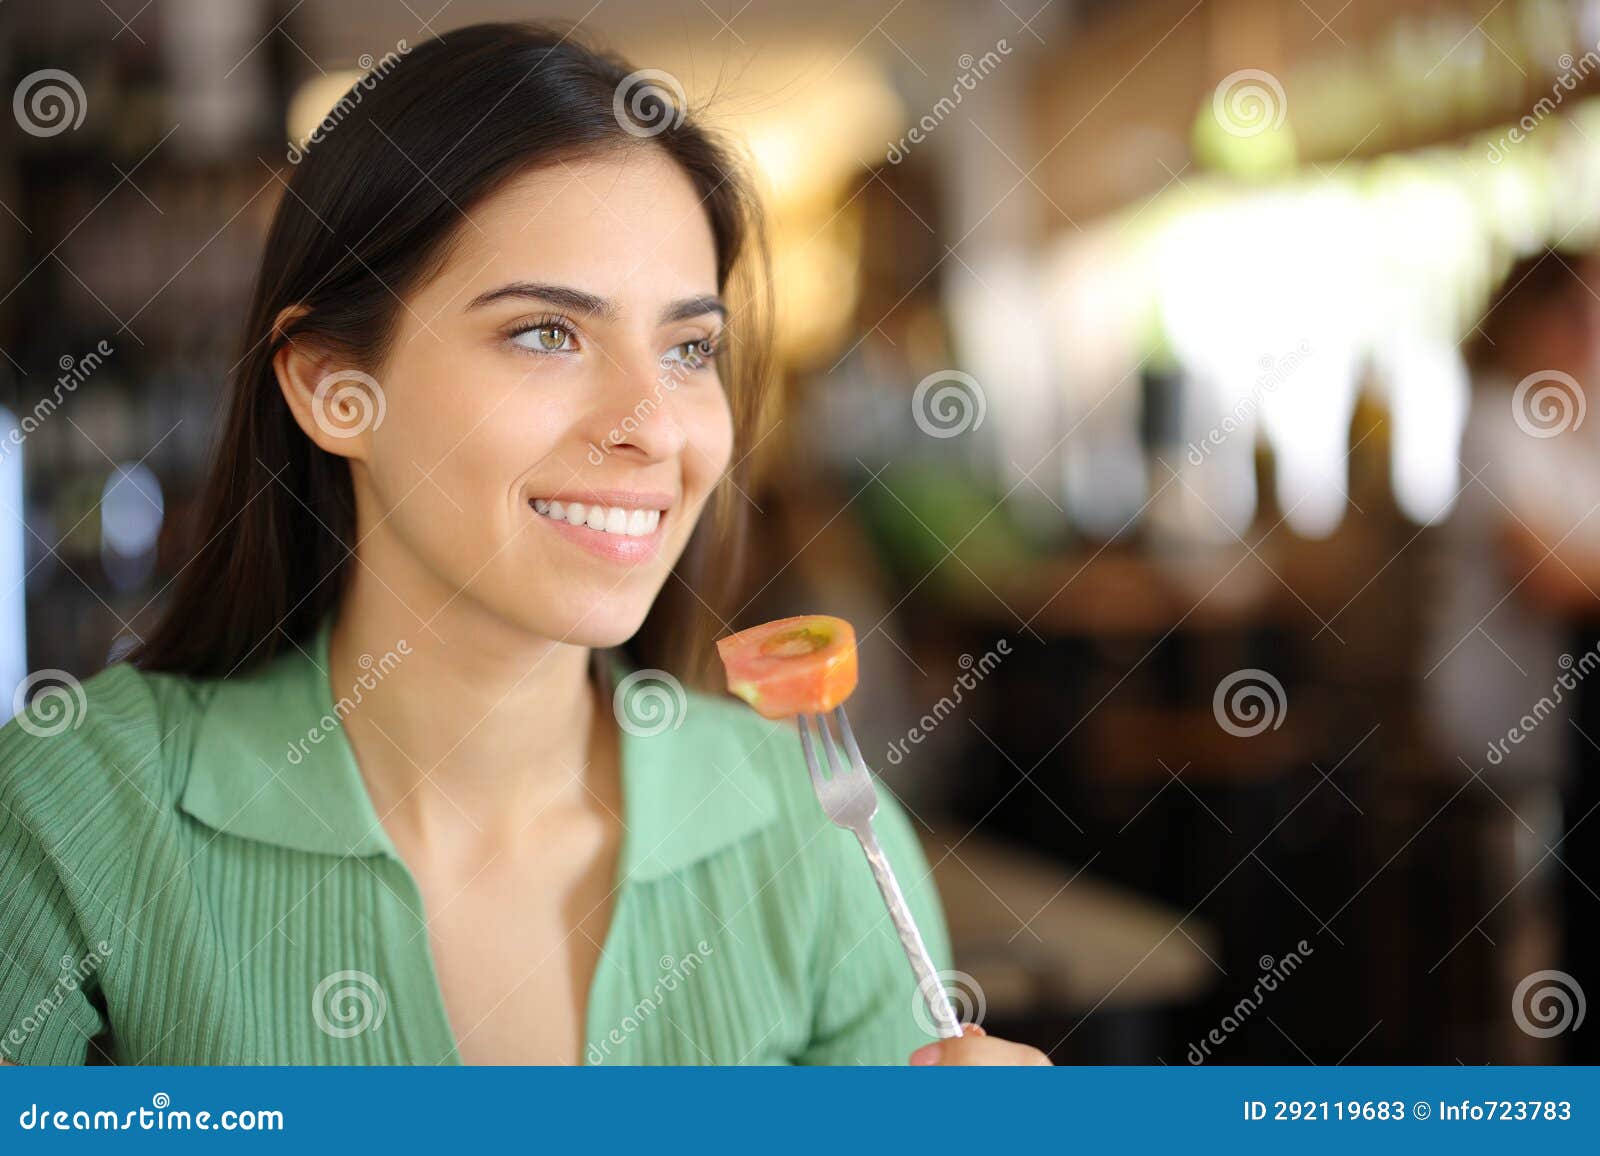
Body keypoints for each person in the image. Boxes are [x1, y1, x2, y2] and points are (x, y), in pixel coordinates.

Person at [0, 23, 1046, 1067]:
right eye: (547, 332)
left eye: (689, 349)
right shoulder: (75, 813)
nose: (653, 424)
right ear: (331, 386)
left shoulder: (811, 834)